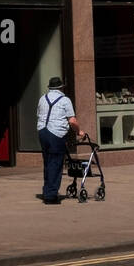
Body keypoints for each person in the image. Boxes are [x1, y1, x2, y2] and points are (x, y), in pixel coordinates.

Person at [36, 76, 83, 205]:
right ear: (61, 87)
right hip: (56, 133)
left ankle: (47, 190)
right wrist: (79, 131)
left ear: (50, 88)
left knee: (48, 162)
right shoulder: (65, 100)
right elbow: (72, 121)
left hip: (42, 132)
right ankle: (50, 196)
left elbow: (39, 115)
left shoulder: (42, 99)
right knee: (56, 163)